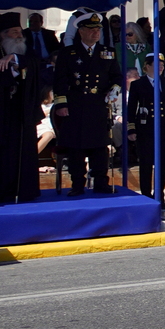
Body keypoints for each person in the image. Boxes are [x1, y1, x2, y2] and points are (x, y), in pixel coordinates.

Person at [0, 13, 44, 203]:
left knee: (22, 153)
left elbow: (35, 65)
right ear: (2, 34)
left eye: (20, 32)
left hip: (21, 113)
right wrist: (9, 74)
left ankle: (22, 191)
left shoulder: (25, 51)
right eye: (14, 32)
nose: (19, 36)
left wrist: (15, 59)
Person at [51, 13, 120, 195]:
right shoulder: (68, 53)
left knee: (100, 146)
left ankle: (101, 182)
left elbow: (116, 76)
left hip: (98, 104)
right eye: (91, 30)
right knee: (76, 147)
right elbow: (60, 80)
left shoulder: (107, 52)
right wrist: (61, 104)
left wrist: (114, 90)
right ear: (81, 31)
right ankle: (77, 184)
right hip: (76, 104)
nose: (96, 33)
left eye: (98, 29)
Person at [127, 54, 165, 209]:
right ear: (147, 66)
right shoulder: (138, 84)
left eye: (162, 65)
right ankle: (146, 195)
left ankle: (159, 195)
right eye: (157, 65)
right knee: (146, 163)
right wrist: (131, 128)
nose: (160, 68)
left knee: (163, 163)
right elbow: (131, 108)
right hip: (146, 127)